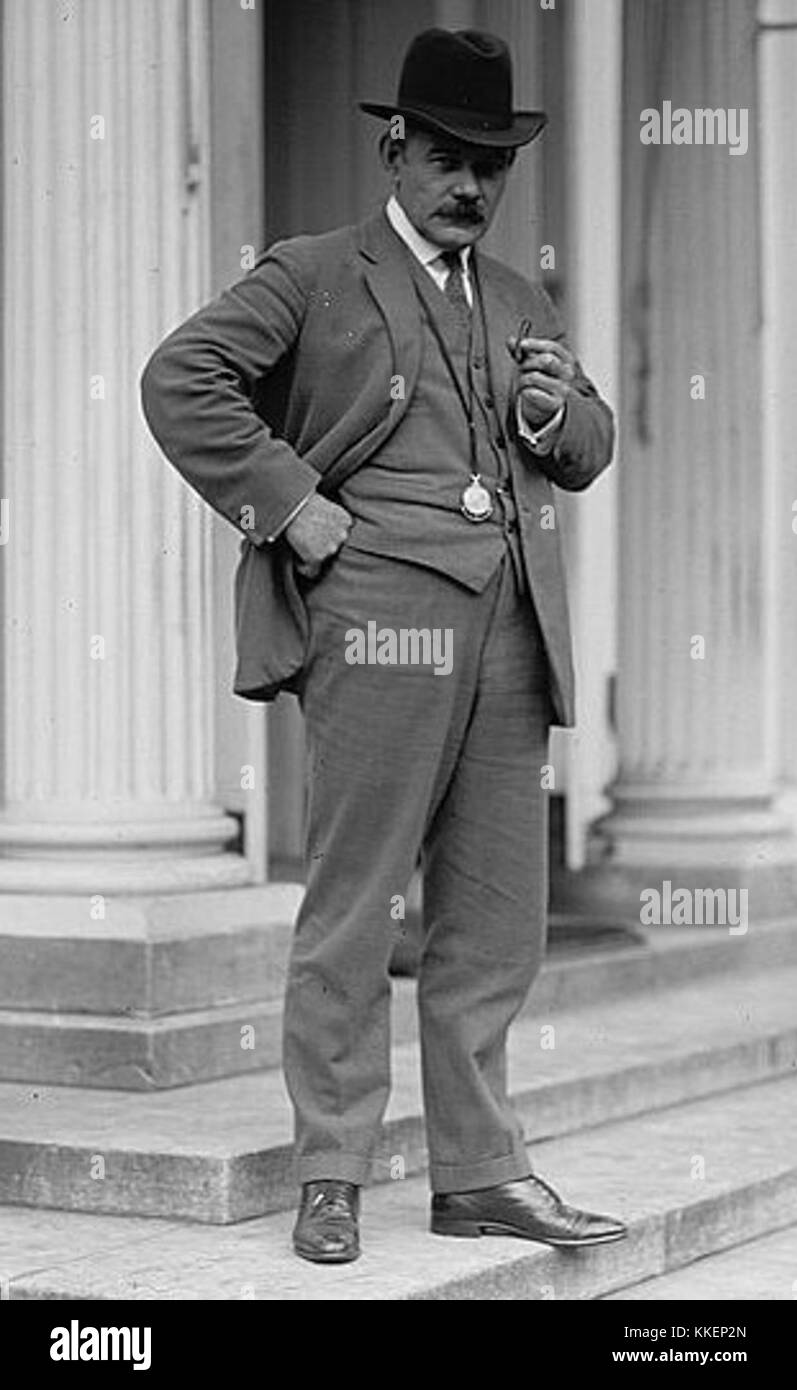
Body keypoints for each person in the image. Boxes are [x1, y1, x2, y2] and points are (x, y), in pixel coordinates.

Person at [141, 27, 626, 1265]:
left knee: (495, 918)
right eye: (450, 158)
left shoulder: (517, 295)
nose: (472, 186)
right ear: (393, 146)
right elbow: (181, 376)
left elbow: (585, 447)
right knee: (356, 907)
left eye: (493, 164)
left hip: (511, 629)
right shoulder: (311, 272)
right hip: (379, 621)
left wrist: (557, 409)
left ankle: (477, 1171)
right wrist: (289, 504)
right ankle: (330, 1174)